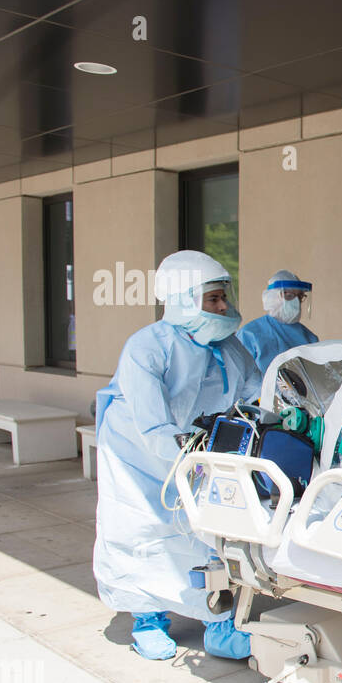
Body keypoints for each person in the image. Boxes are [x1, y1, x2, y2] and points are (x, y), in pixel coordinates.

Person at [93, 250, 261, 660]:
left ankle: (219, 623)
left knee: (207, 531)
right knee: (144, 529)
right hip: (134, 451)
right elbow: (152, 424)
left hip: (189, 450)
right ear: (183, 300)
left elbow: (257, 393)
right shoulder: (147, 347)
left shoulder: (228, 346)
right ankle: (148, 620)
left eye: (224, 298)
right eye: (213, 300)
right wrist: (190, 458)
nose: (224, 307)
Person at [236, 269, 317, 377]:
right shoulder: (249, 334)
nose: (296, 302)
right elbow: (240, 377)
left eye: (300, 297)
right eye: (289, 296)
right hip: (261, 394)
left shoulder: (309, 337)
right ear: (272, 297)